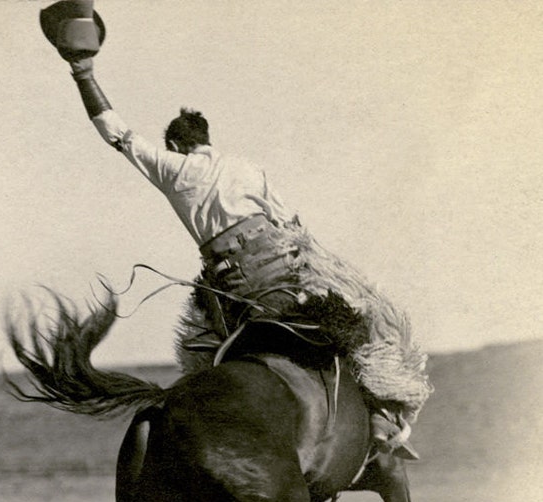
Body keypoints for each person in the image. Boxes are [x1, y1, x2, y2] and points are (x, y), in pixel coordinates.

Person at [39, 1, 431, 459]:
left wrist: (83, 72)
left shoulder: (172, 168)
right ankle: (385, 425)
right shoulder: (248, 168)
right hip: (281, 269)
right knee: (365, 329)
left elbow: (115, 132)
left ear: (175, 144)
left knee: (200, 361)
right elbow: (291, 224)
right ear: (207, 138)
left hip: (229, 286)